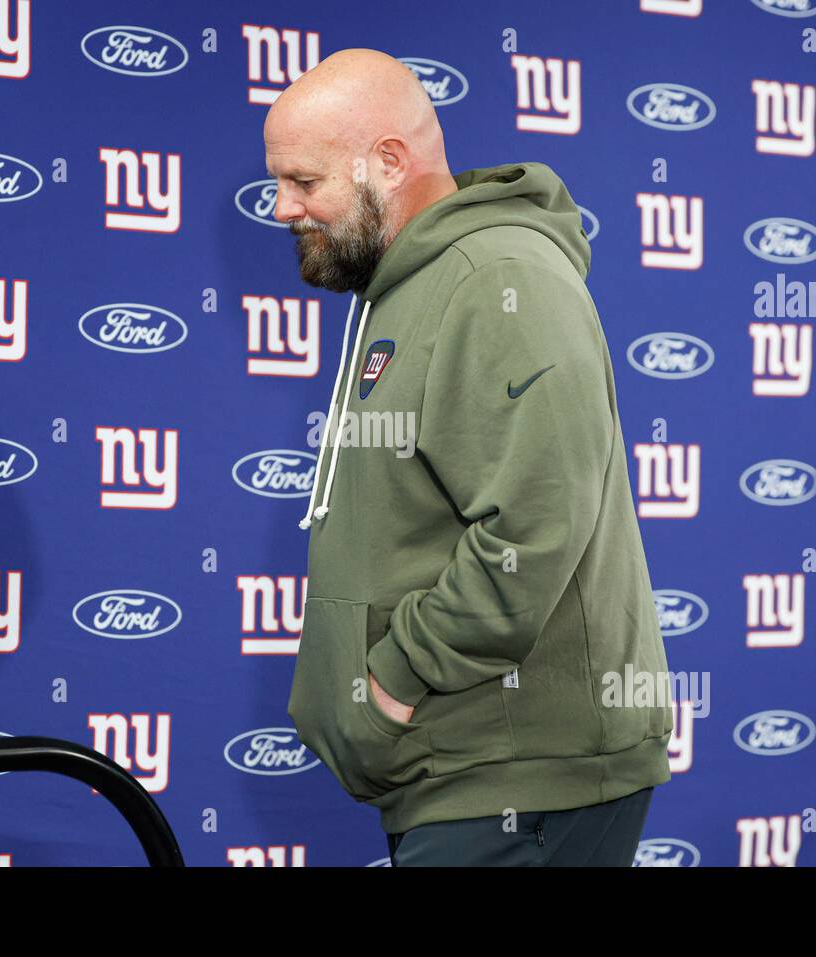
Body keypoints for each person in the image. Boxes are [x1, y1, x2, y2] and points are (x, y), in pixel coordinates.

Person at [266, 49, 673, 867]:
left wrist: (393, 684)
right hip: (464, 771)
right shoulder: (410, 284)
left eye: (304, 182)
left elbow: (536, 526)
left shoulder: (496, 280)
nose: (283, 208)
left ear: (387, 161)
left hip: (522, 784)